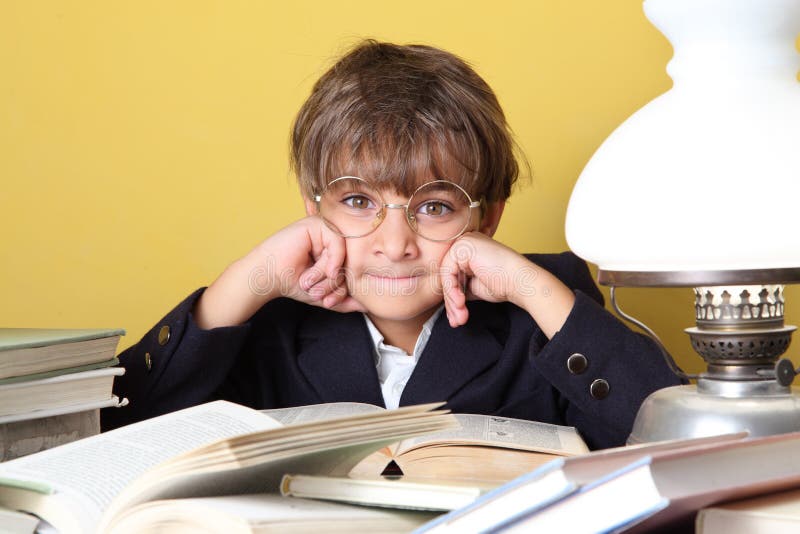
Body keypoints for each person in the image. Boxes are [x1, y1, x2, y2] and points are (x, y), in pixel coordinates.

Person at [102, 40, 681, 449]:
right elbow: (108, 434)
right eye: (357, 202)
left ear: (488, 217)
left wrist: (536, 291)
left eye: (435, 207)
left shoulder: (546, 310)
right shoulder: (265, 323)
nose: (395, 243)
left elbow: (680, 439)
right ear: (314, 210)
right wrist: (242, 282)